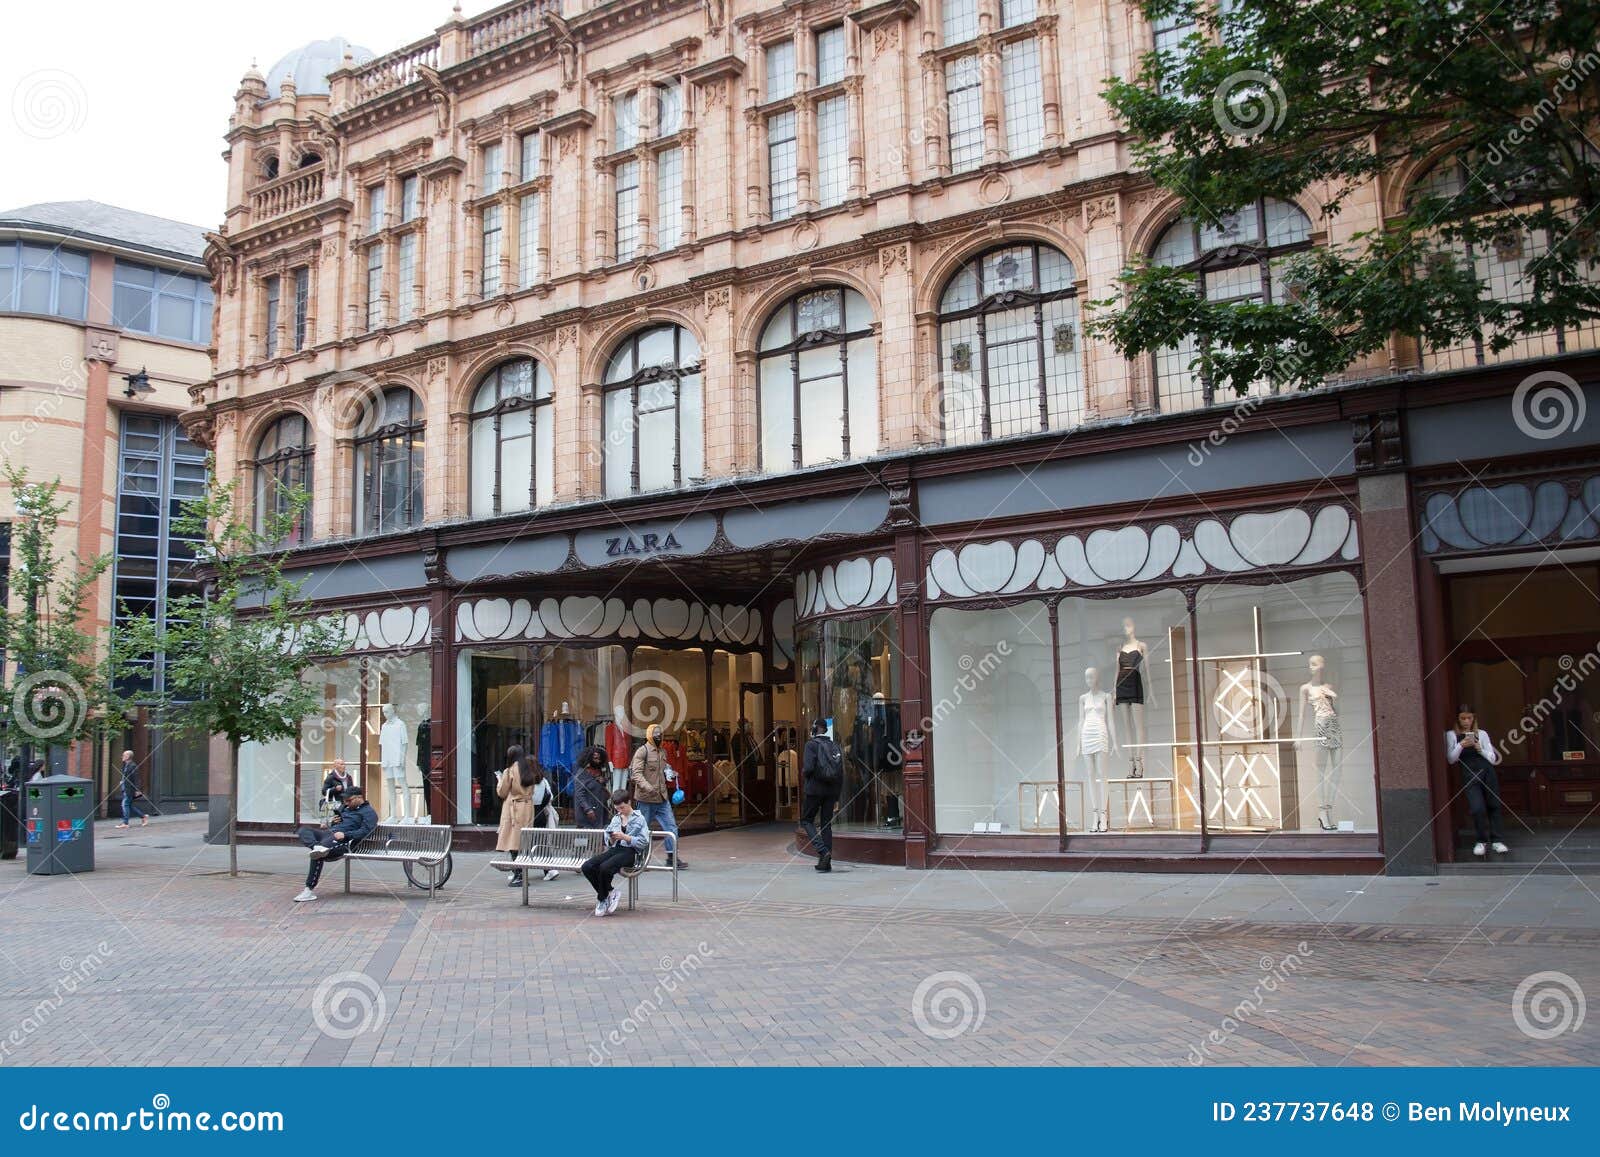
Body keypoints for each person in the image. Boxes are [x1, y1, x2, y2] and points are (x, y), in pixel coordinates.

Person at [293, 785, 379, 902]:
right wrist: (333, 822)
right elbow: (337, 823)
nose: (346, 803)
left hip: (345, 841)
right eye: (344, 801)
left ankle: (308, 890)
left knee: (318, 853)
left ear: (359, 797)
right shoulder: (345, 807)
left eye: (349, 800)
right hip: (329, 834)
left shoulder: (369, 812)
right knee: (304, 830)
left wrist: (346, 835)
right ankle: (315, 846)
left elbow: (366, 831)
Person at [1447, 708, 1510, 858]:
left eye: (1469, 718)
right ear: (1458, 719)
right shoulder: (1451, 735)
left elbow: (1493, 758)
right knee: (1477, 808)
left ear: (1473, 719)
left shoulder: (1481, 734)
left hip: (1487, 772)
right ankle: (1481, 840)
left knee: (1493, 805)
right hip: (1470, 775)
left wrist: (1479, 748)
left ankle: (1497, 840)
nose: (1467, 722)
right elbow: (1451, 759)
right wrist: (1461, 744)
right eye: (1463, 718)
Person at [581, 790, 648, 917]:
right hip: (615, 849)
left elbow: (644, 842)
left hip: (630, 852)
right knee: (587, 866)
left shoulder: (640, 819)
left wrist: (626, 837)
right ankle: (610, 892)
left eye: (622, 807)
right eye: (617, 808)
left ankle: (602, 899)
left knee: (604, 868)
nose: (620, 810)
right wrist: (611, 838)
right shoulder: (616, 818)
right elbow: (608, 839)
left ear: (629, 802)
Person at [629, 723, 687, 869]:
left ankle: (671, 857)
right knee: (641, 829)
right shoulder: (642, 751)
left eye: (660, 733)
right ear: (649, 735)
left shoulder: (662, 752)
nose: (658, 736)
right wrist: (649, 788)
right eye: (655, 733)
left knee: (671, 827)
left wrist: (671, 773)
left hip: (662, 798)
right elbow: (636, 774)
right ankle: (636, 858)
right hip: (645, 799)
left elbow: (664, 769)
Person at [800, 720, 844, 872]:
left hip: (814, 790)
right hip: (831, 791)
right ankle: (826, 862)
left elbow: (808, 768)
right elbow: (840, 773)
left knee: (806, 820)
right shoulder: (835, 746)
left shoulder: (811, 745)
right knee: (826, 824)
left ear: (815, 728)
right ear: (826, 730)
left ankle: (823, 852)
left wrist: (804, 773)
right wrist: (837, 796)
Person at [574, 745, 611, 830]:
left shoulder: (599, 770)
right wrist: (588, 809)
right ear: (589, 758)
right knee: (585, 839)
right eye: (595, 758)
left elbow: (597, 787)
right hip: (587, 813)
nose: (598, 761)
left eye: (599, 759)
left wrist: (603, 781)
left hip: (599, 810)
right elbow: (579, 794)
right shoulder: (582, 773)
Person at [115, 750, 149, 829]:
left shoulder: (132, 766)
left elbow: (136, 778)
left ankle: (125, 823)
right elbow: (127, 778)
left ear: (127, 757)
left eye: (123, 755)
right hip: (126, 788)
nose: (122, 757)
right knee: (129, 805)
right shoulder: (127, 765)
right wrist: (122, 781)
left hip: (129, 790)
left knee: (125, 804)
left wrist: (137, 790)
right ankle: (143, 817)